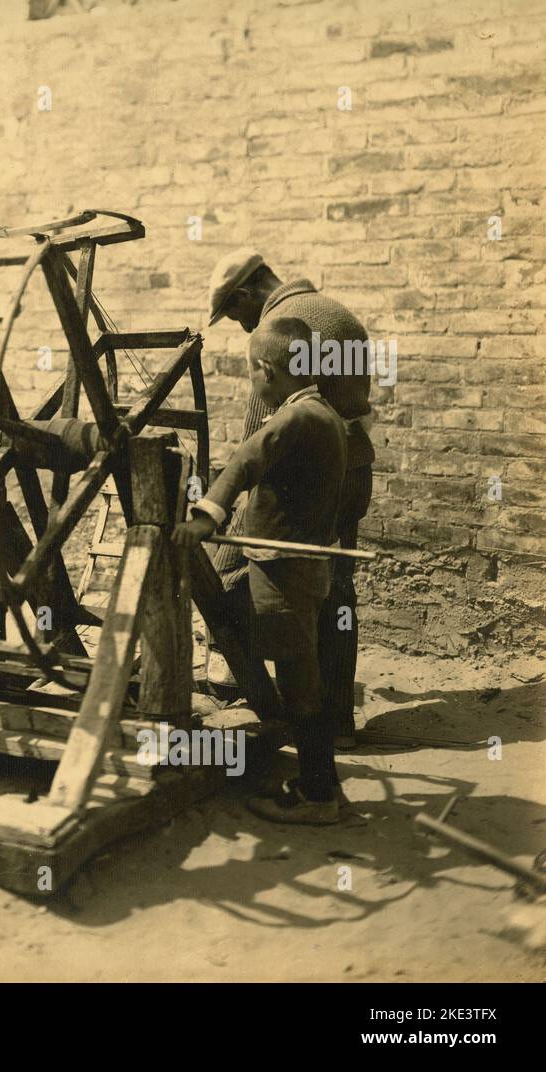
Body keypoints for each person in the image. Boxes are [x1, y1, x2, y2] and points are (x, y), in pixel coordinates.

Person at [173, 317, 347, 825]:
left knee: (296, 682)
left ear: (266, 370)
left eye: (252, 374)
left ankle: (318, 800)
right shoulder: (326, 414)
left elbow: (245, 461)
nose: (252, 383)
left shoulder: (293, 420)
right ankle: (325, 785)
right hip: (306, 564)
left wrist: (205, 516)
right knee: (298, 673)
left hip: (283, 568)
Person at [206, 249, 374, 749]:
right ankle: (337, 718)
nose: (239, 327)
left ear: (245, 295)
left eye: (234, 314)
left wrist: (226, 491)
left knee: (225, 574)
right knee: (335, 586)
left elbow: (264, 430)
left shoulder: (280, 326)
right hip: (351, 470)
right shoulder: (341, 315)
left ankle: (260, 694)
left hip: (298, 484)